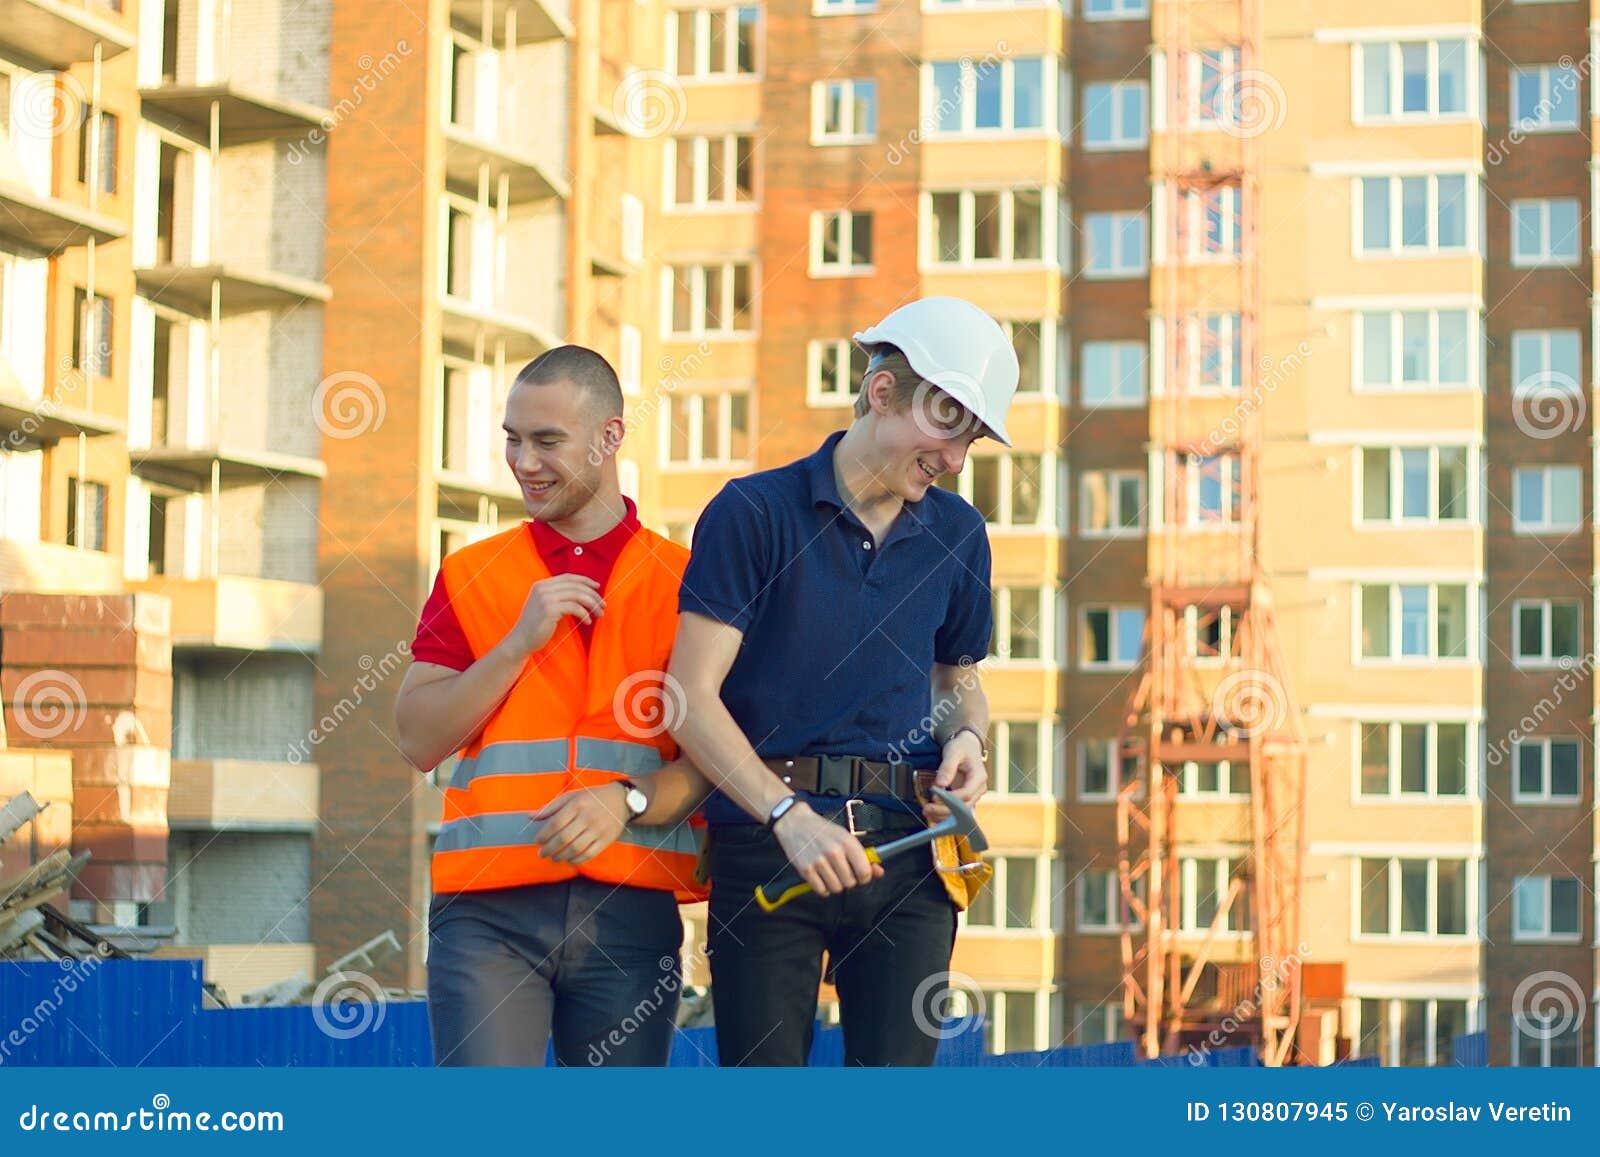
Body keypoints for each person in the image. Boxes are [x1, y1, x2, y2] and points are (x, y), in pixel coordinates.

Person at [667, 297, 1019, 1066]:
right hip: (767, 844)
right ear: (882, 393)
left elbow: (958, 677)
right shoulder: (752, 513)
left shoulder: (960, 535)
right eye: (948, 426)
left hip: (907, 852)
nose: (957, 459)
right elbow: (688, 695)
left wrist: (967, 735)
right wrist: (788, 816)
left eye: (973, 439)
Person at [395, 344, 710, 1067]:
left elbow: (716, 760)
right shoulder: (472, 573)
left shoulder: (685, 582)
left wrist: (625, 803)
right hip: (488, 913)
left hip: (632, 910)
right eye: (511, 438)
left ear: (609, 436)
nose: (523, 461)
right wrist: (515, 644)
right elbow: (417, 738)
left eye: (546, 441)